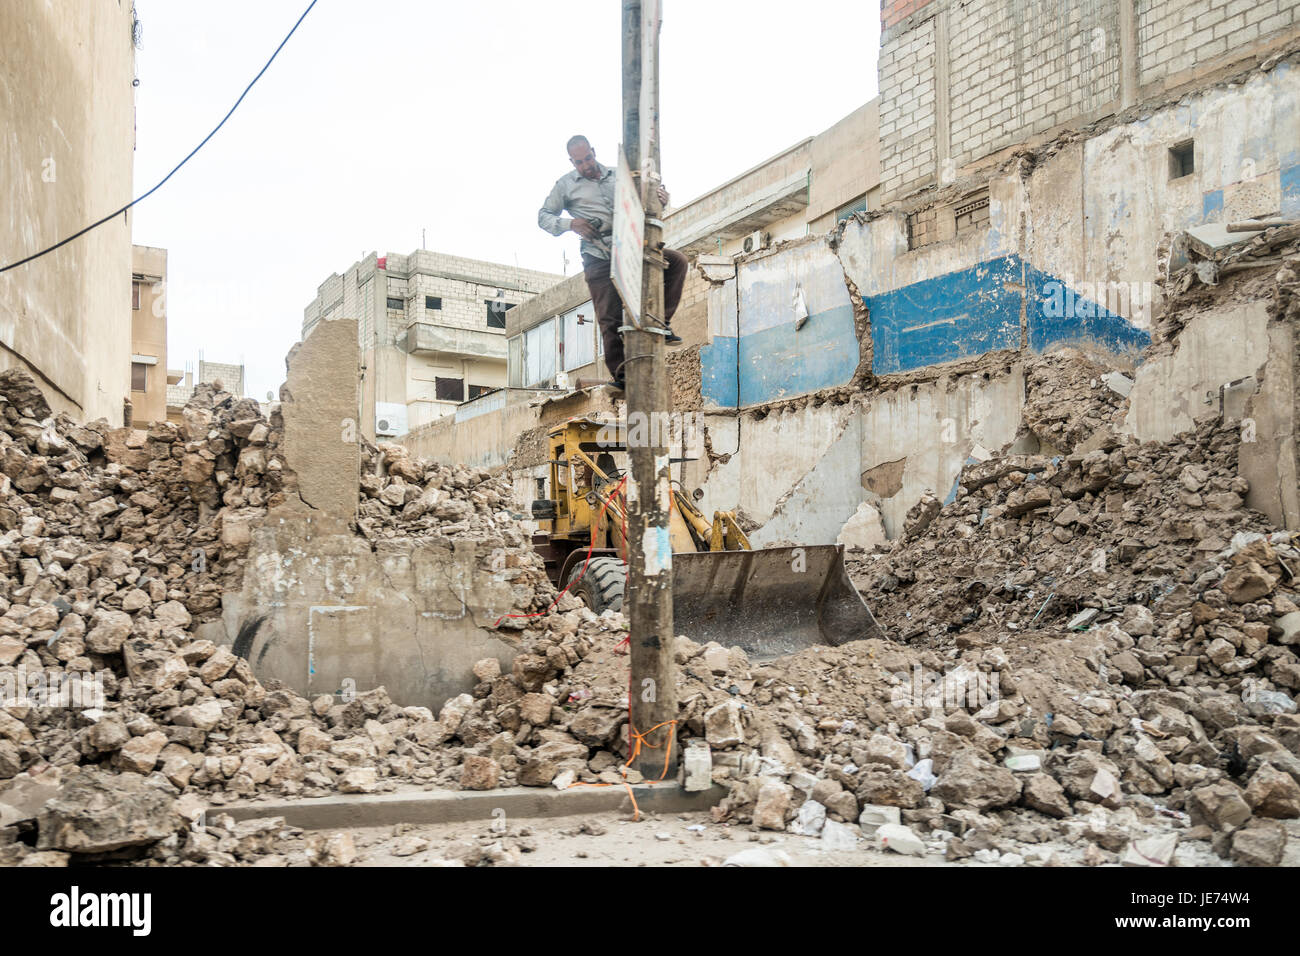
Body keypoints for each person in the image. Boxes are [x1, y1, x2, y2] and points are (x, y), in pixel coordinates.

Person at [538, 134, 687, 391]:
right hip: (597, 254)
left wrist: (660, 198)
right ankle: (622, 376)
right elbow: (544, 216)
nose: (586, 165)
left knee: (677, 262)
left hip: (631, 247)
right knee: (609, 315)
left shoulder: (620, 175)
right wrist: (571, 224)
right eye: (580, 162)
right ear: (572, 162)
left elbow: (647, 201)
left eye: (588, 158)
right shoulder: (565, 186)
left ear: (594, 152)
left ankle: (661, 322)